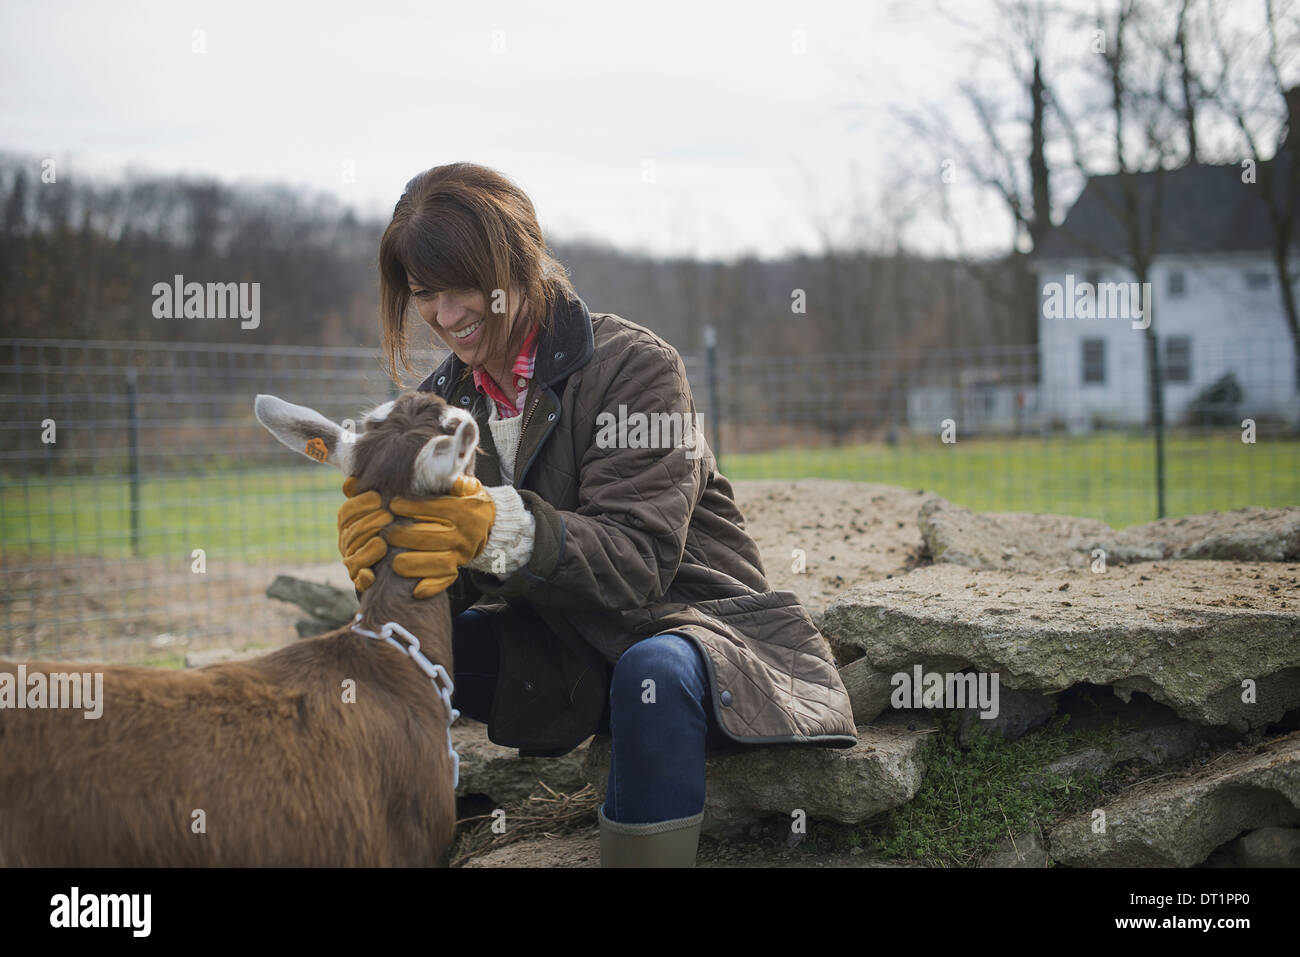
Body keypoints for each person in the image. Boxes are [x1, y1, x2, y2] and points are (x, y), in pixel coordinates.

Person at [338, 161, 857, 867]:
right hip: (563, 650)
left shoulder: (636, 367)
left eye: (463, 287)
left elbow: (636, 562)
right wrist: (387, 558)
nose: (445, 314)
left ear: (517, 261)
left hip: (688, 630)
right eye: (425, 293)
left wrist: (491, 525)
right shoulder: (438, 403)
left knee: (655, 670)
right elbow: (445, 589)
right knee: (386, 657)